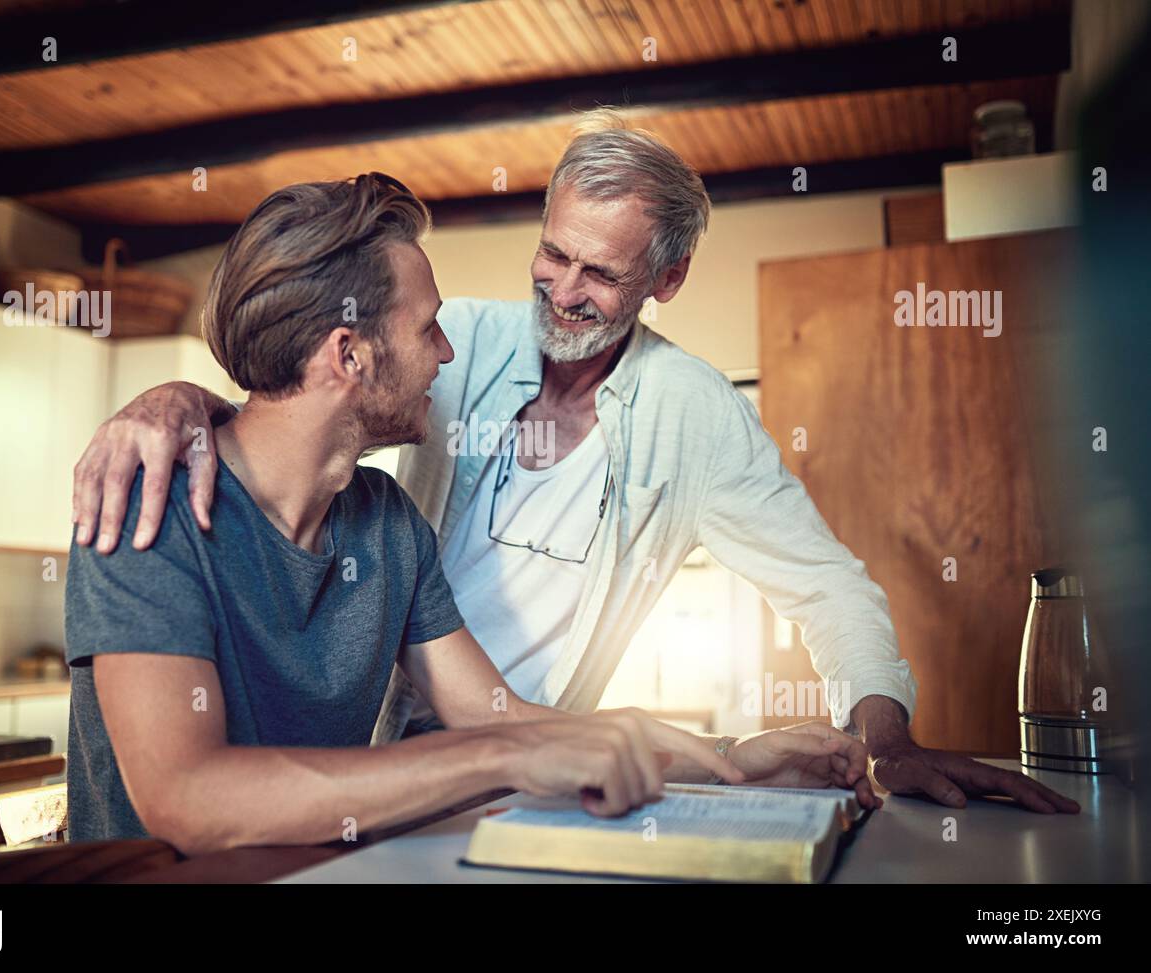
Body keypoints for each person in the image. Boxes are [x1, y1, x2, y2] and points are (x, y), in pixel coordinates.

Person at [72, 112, 1078, 816]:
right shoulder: (181, 499)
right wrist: (170, 401)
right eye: (552, 254)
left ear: (666, 278)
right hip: (372, 793)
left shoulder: (405, 510)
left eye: (600, 271)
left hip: (496, 784)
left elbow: (823, 588)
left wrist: (806, 748)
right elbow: (296, 389)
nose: (558, 292)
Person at [65, 172, 875, 851]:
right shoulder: (148, 508)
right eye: (428, 329)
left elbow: (502, 716)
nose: (448, 355)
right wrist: (496, 757)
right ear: (350, 354)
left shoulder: (385, 523)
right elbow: (188, 795)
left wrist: (732, 761)